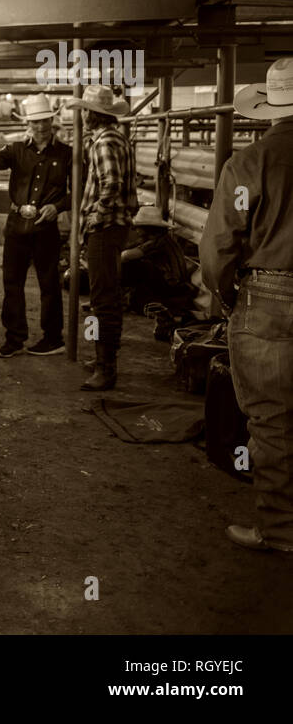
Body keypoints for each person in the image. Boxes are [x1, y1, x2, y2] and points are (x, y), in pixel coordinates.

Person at [202, 57, 293, 553]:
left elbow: (219, 246)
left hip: (271, 295)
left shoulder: (249, 162)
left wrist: (227, 293)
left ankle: (280, 529)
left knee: (273, 419)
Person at [0, 95, 72, 358]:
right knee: (12, 282)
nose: (40, 126)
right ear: (28, 124)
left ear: (51, 121)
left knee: (49, 283)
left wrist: (58, 206)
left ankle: (53, 338)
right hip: (17, 225)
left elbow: (79, 189)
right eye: (35, 122)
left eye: (44, 121)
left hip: (45, 227)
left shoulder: (67, 154)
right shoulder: (17, 150)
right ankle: (14, 337)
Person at [70, 85, 136, 391]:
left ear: (92, 114)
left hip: (106, 227)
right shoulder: (114, 137)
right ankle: (104, 359)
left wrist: (97, 214)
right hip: (114, 227)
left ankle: (105, 366)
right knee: (104, 294)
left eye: (85, 110)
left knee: (103, 297)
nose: (82, 115)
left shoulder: (104, 141)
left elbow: (112, 182)